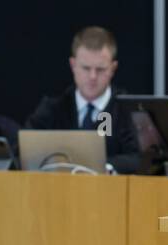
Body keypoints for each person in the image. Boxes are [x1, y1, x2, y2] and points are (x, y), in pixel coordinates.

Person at [22, 26, 140, 173]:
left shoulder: (126, 110)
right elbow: (24, 151)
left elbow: (139, 158)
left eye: (100, 69)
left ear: (113, 68)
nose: (92, 77)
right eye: (86, 68)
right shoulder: (54, 108)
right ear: (73, 65)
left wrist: (104, 167)